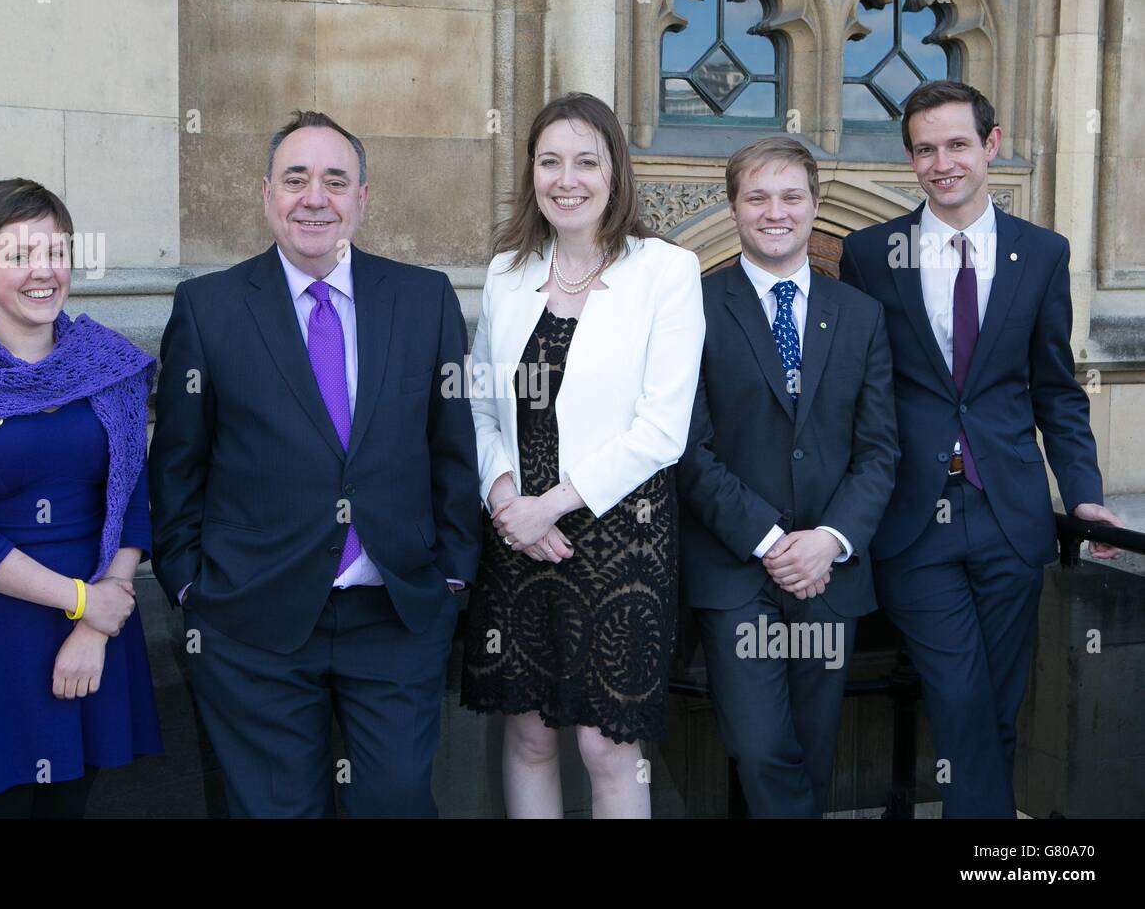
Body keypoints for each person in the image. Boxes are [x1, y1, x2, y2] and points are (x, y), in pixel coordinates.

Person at [149, 110, 480, 818]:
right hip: (251, 622)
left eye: (335, 180)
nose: (314, 197)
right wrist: (187, 588)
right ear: (266, 194)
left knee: (395, 803)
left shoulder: (424, 300)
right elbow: (177, 464)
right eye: (296, 179)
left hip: (395, 615)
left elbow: (453, 449)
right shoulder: (208, 309)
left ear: (363, 199)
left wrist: (452, 575)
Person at [839, 81, 1123, 817]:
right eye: (926, 149)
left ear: (990, 146)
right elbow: (861, 392)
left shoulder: (1042, 252)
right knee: (961, 695)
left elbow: (1057, 389)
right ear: (911, 158)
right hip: (913, 519)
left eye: (957, 144)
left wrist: (1084, 493)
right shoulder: (871, 254)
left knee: (998, 707)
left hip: (1011, 516)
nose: (942, 163)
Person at [460, 91, 705, 819]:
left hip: (620, 540)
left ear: (615, 172)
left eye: (586, 162)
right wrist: (507, 500)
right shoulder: (507, 271)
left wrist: (548, 507)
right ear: (532, 172)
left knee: (608, 749)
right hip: (515, 538)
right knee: (529, 733)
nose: (567, 179)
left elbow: (663, 428)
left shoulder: (666, 270)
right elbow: (477, 401)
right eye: (550, 161)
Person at [0, 178, 163, 817]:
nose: (43, 271)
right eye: (17, 255)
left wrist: (100, 621)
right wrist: (83, 604)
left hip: (100, 612)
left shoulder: (109, 363)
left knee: (70, 801)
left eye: (55, 251)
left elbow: (132, 501)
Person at [677, 137, 898, 817]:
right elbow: (688, 449)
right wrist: (772, 542)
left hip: (829, 573)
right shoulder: (693, 306)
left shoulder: (860, 315)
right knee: (761, 747)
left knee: (813, 747)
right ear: (734, 206)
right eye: (758, 197)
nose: (776, 212)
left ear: (815, 205)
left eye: (792, 196)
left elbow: (880, 450)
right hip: (737, 571)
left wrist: (828, 540)